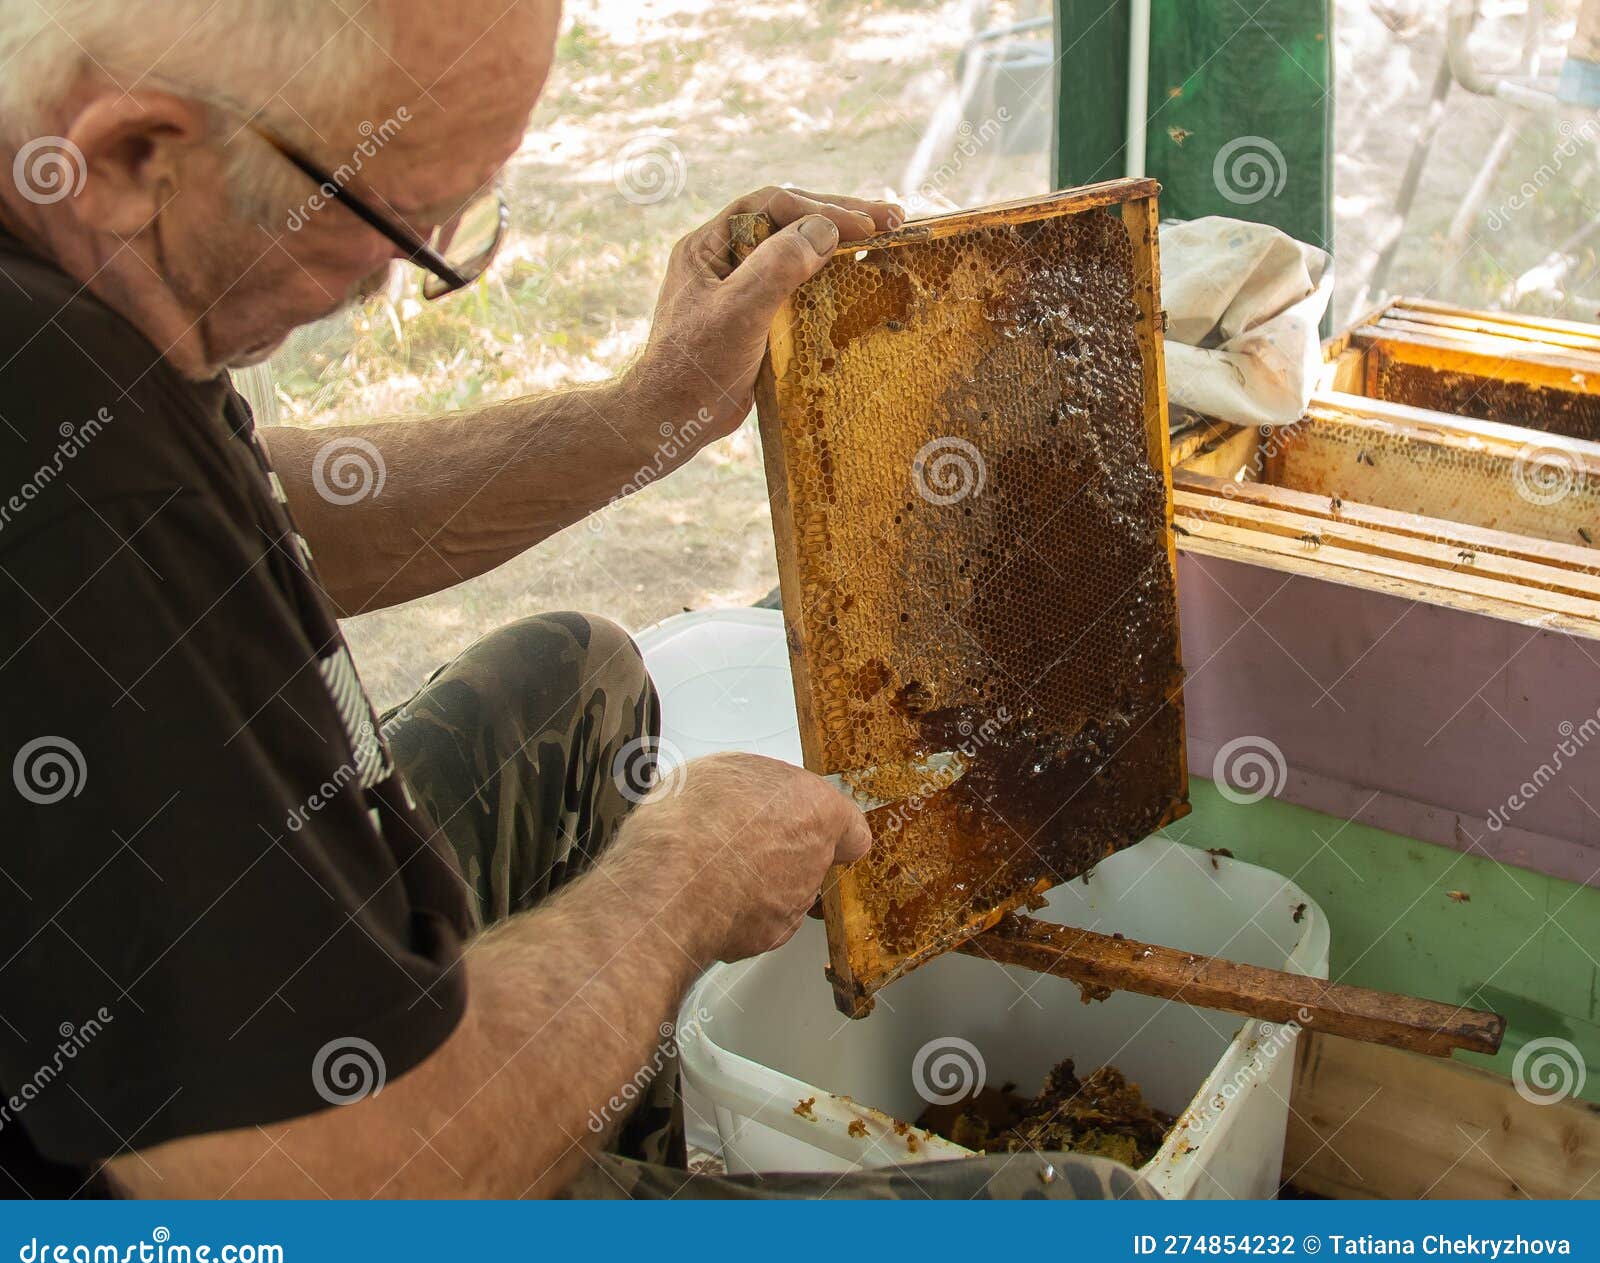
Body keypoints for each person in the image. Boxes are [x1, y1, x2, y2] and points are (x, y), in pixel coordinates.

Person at [0, 0, 1154, 1200]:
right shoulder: (67, 483)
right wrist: (681, 886)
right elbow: (322, 1195)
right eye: (394, 221)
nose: (409, 277)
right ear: (136, 155)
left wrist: (643, 419)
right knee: (1092, 1224)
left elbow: (250, 509)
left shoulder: (84, 296)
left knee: (578, 685)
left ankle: (585, 1163)